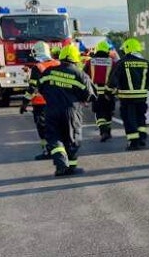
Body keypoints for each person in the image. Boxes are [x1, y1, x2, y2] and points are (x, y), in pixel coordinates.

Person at [38, 44, 96, 177]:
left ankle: (61, 165)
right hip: (71, 111)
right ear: (76, 59)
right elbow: (90, 95)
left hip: (51, 109)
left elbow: (40, 87)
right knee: (72, 138)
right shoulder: (80, 74)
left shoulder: (49, 72)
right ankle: (71, 167)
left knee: (54, 137)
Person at [109, 38, 149, 151]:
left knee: (129, 119)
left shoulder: (122, 63)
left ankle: (133, 142)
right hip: (141, 98)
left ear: (127, 48)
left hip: (127, 98)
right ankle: (142, 138)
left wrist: (108, 92)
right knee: (140, 118)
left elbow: (113, 80)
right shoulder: (145, 63)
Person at [19, 41, 61, 160]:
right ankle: (60, 149)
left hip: (41, 104)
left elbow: (32, 88)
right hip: (58, 102)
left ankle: (48, 151)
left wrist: (24, 104)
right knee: (57, 127)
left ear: (36, 53)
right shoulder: (58, 64)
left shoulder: (37, 67)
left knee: (43, 129)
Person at [84, 40, 116, 142]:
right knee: (108, 112)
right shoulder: (112, 62)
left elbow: (84, 76)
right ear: (107, 51)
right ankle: (108, 131)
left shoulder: (90, 62)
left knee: (99, 113)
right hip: (109, 93)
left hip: (96, 93)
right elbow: (116, 78)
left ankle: (103, 131)